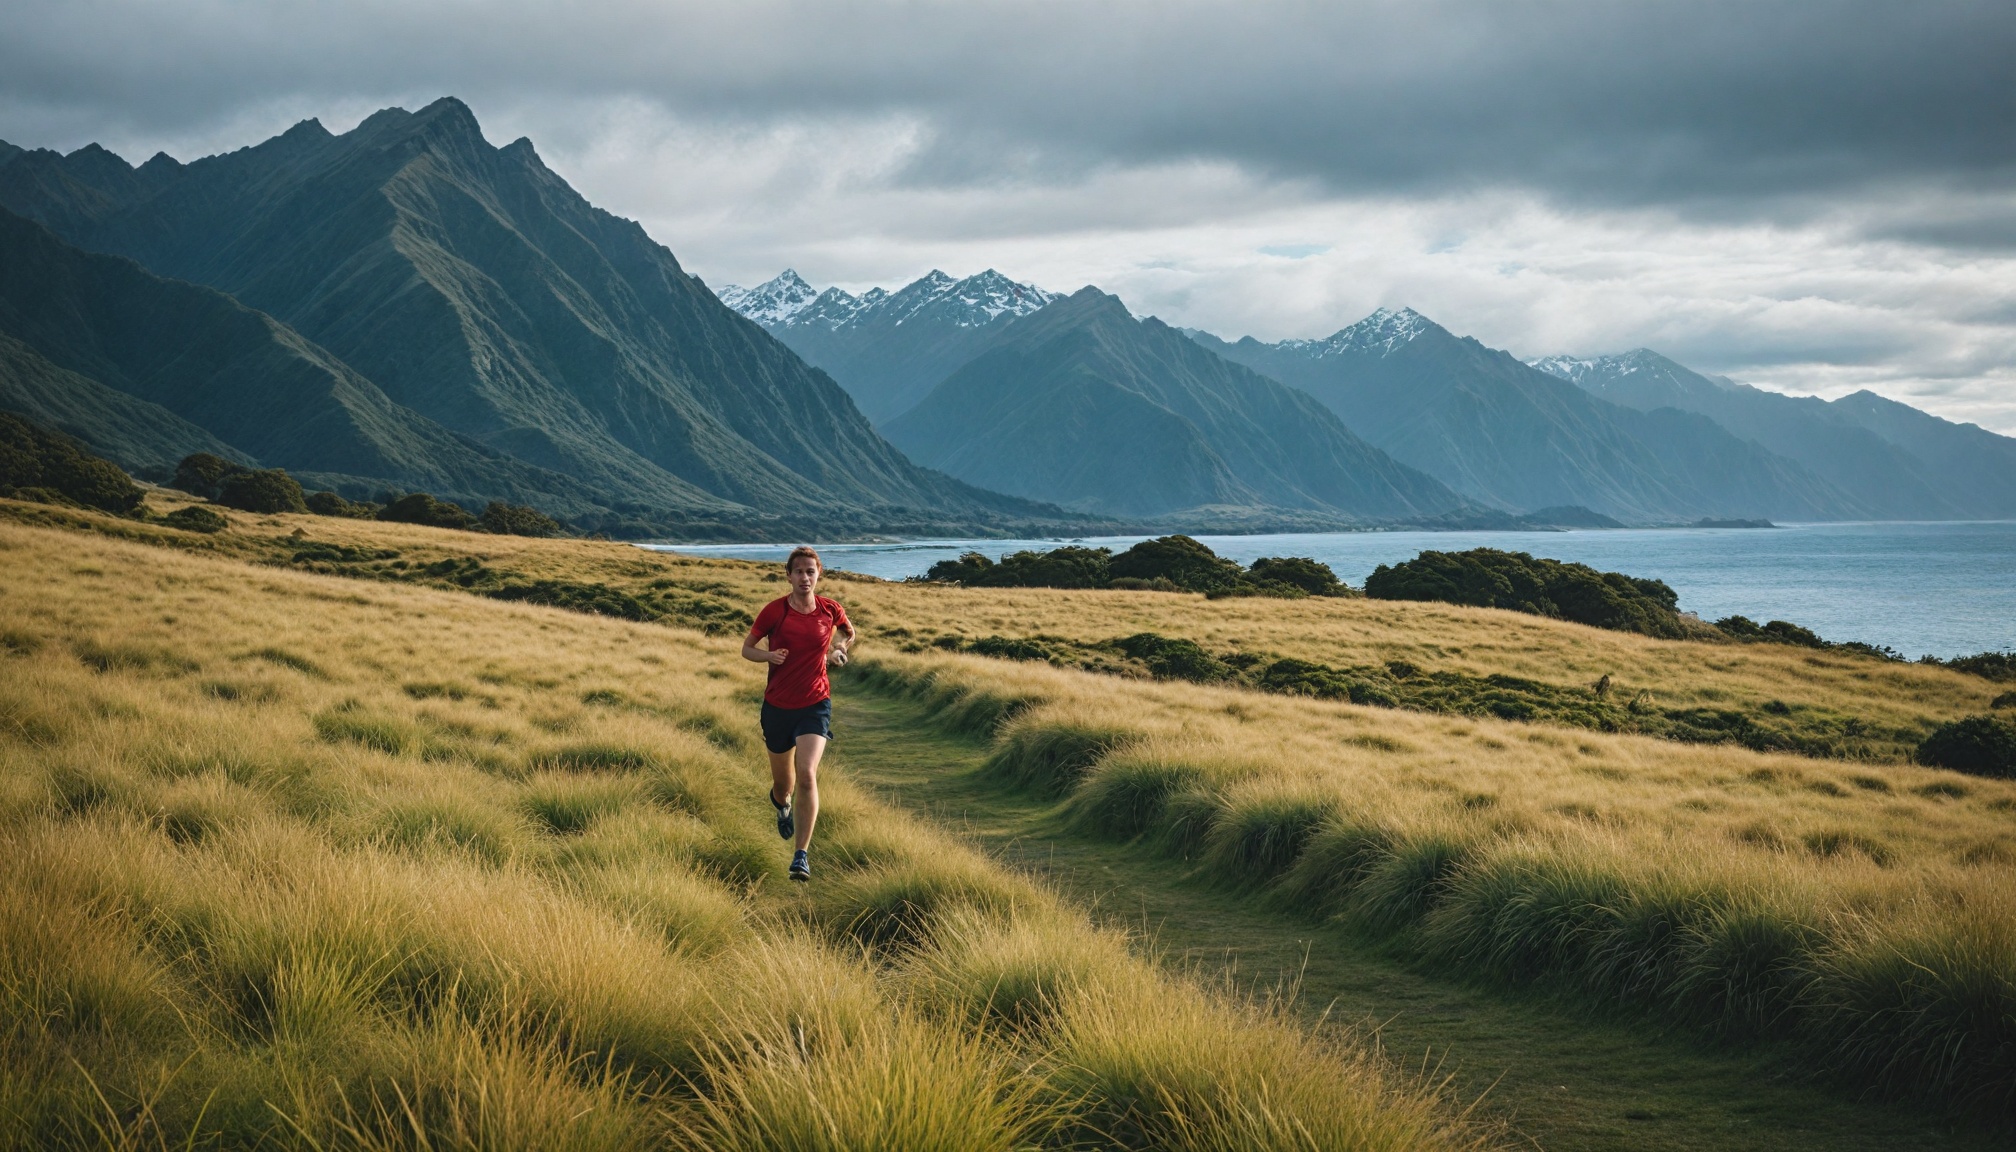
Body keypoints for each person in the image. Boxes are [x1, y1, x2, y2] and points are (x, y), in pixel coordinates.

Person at [741, 545, 854, 882]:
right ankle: (782, 805)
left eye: (811, 571)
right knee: (783, 784)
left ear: (819, 574)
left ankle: (801, 856)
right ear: (788, 575)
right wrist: (769, 657)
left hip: (815, 703)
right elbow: (747, 648)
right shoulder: (775, 611)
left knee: (807, 773)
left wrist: (839, 649)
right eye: (799, 571)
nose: (805, 577)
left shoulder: (830, 609)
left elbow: (849, 632)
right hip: (777, 706)